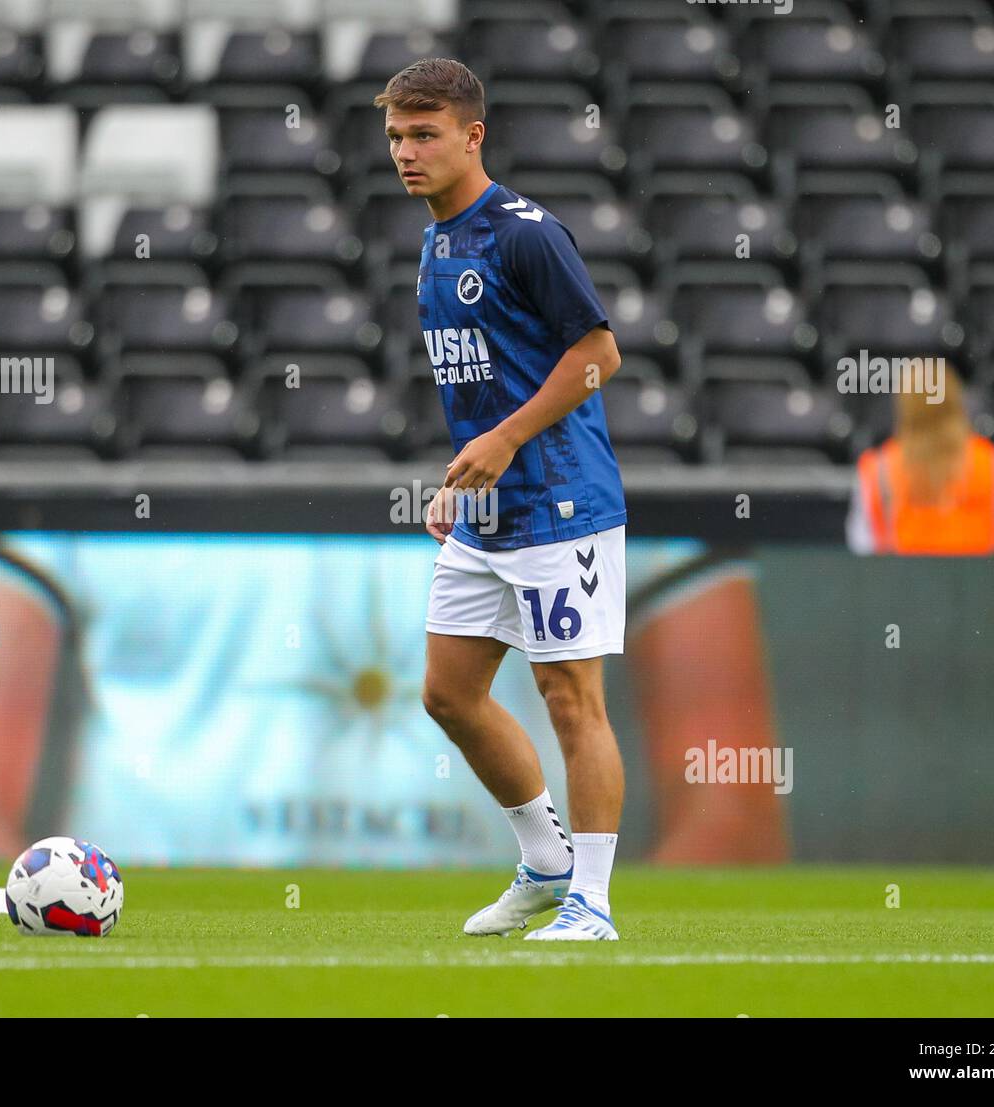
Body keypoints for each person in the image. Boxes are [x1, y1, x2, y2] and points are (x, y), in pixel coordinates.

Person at [377, 58, 627, 940]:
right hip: (485, 512)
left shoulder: (525, 232)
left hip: (562, 504)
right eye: (398, 137)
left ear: (472, 136)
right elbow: (486, 381)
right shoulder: (436, 240)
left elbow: (599, 354)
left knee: (570, 697)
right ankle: (546, 863)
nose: (407, 153)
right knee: (448, 693)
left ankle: (591, 901)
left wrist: (508, 441)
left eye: (425, 134)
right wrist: (464, 472)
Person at [847, 364, 994, 555]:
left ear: (903, 406)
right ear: (957, 401)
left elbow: (863, 548)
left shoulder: (878, 469)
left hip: (903, 582)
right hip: (981, 582)